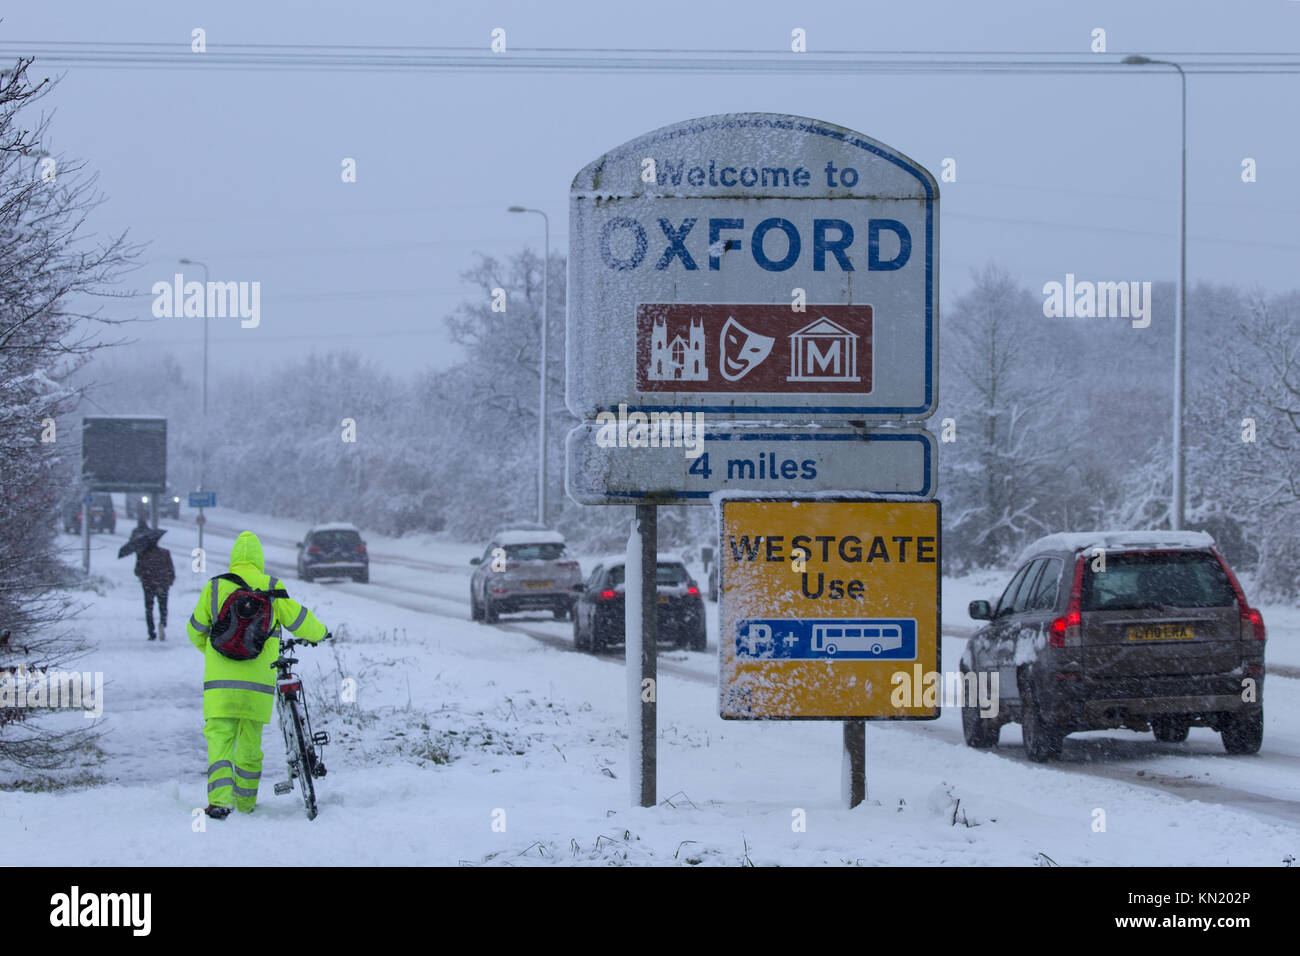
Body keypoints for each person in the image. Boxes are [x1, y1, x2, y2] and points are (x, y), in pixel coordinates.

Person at [185, 530, 329, 819]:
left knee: (220, 741)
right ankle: (247, 804)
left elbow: (195, 631)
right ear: (259, 559)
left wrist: (216, 655)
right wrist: (321, 632)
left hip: (219, 687)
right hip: (258, 685)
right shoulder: (271, 586)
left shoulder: (215, 588)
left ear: (234, 558)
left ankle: (220, 802)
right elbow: (300, 620)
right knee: (251, 743)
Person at [135, 529, 175, 642]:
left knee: (149, 609)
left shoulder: (143, 555)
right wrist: (170, 580)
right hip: (163, 584)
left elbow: (137, 571)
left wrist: (139, 560)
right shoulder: (165, 553)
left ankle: (151, 632)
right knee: (163, 607)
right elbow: (170, 569)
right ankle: (162, 623)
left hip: (148, 585)